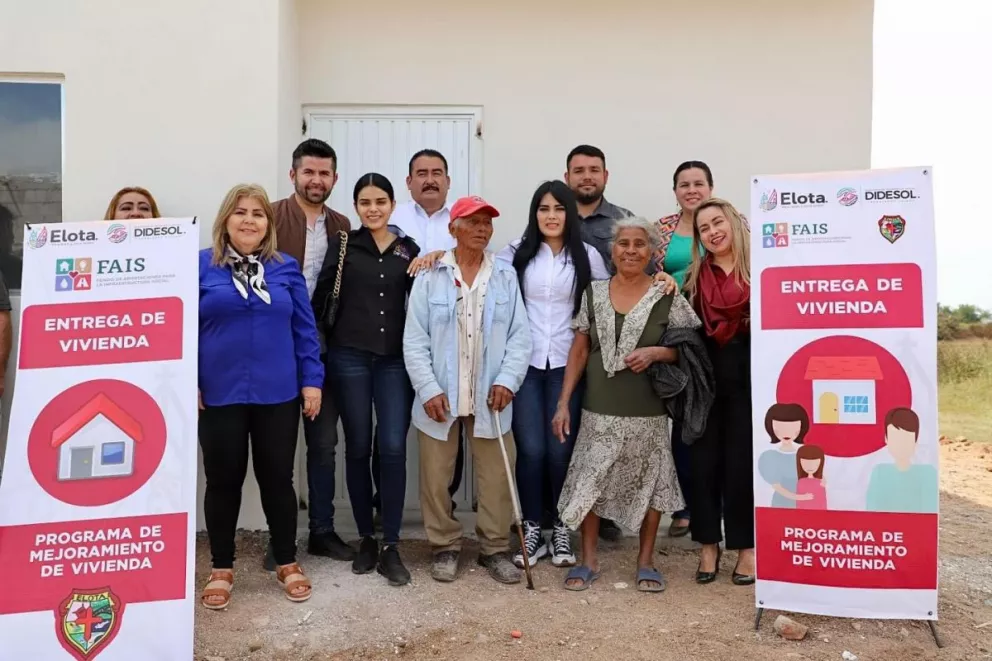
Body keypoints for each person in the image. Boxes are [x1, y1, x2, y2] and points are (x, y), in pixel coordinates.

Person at [553, 217, 701, 593]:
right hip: (598, 405)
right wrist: (564, 402)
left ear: (652, 252)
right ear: (612, 250)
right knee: (591, 480)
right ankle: (588, 560)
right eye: (623, 244)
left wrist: (657, 353)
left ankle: (646, 562)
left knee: (652, 483)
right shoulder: (593, 292)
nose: (631, 251)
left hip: (648, 409)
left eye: (639, 244)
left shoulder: (666, 293)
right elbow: (580, 349)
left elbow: (691, 350)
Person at [198, 183, 323, 609]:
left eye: (257, 213)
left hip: (277, 391)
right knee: (222, 481)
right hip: (218, 392)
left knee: (277, 479)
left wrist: (312, 380)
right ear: (225, 220)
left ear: (268, 224)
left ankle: (287, 561)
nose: (249, 220)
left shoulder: (285, 268)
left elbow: (305, 330)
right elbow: (181, 328)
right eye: (240, 212)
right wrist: (187, 379)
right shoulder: (199, 267)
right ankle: (221, 567)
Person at [403, 195, 531, 584]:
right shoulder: (430, 276)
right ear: (452, 228)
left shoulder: (505, 275)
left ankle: (495, 547)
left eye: (487, 223)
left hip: (491, 393)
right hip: (441, 393)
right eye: (473, 222)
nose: (482, 229)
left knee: (497, 474)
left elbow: (519, 336)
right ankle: (444, 545)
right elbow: (414, 340)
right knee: (435, 476)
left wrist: (508, 380)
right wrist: (427, 388)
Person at [312, 173, 420, 586]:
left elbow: (424, 302)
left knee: (392, 447)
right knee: (357, 446)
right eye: (364, 202)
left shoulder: (408, 249)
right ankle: (366, 538)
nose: (373, 209)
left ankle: (391, 543)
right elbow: (321, 300)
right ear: (356, 206)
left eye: (380, 202)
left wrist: (435, 259)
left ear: (392, 204)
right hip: (349, 357)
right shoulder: (343, 245)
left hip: (395, 361)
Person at [496, 181, 609, 568]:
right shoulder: (516, 252)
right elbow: (481, 274)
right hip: (525, 365)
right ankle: (531, 529)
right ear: (535, 214)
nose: (551, 216)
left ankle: (561, 528)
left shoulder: (588, 257)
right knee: (531, 450)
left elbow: (607, 302)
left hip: (568, 365)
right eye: (543, 209)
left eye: (559, 208)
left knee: (561, 450)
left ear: (570, 214)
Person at [271, 138, 354, 566]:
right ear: (293, 175)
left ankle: (322, 530)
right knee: (278, 448)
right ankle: (280, 538)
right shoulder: (269, 216)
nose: (316, 180)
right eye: (309, 172)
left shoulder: (343, 225)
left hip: (323, 348)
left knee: (323, 444)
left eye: (324, 173)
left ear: (334, 178)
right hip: (275, 346)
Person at [562, 144, 636, 543]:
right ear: (567, 177)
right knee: (567, 427)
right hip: (562, 343)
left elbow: (644, 274)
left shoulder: (623, 221)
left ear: (606, 176)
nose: (587, 176)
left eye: (594, 169)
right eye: (579, 170)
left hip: (611, 346)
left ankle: (602, 512)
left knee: (606, 433)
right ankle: (563, 512)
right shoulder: (554, 216)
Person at [388, 148, 467, 517]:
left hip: (446, 341)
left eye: (437, 173)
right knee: (392, 429)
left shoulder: (462, 220)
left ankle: (445, 504)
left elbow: (476, 262)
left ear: (448, 181)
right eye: (422, 173)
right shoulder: (393, 219)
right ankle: (386, 506)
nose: (430, 180)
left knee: (449, 423)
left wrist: (441, 255)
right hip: (392, 337)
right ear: (409, 181)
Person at [683, 197, 755, 585]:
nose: (712, 232)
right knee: (703, 465)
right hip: (705, 382)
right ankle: (708, 545)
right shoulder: (694, 278)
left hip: (750, 379)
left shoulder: (761, 271)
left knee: (741, 466)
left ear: (733, 223)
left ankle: (746, 548)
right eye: (704, 228)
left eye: (717, 222)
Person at [652, 161, 714, 538]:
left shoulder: (728, 222)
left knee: (714, 419)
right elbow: (644, 273)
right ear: (675, 191)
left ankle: (713, 504)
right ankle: (683, 507)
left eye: (698, 183)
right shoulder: (661, 229)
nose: (692, 190)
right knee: (681, 419)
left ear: (711, 187)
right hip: (675, 333)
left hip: (718, 329)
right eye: (684, 184)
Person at [865, 407, 938, 513]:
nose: (901, 444)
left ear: (916, 441)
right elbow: (872, 508)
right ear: (886, 439)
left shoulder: (928, 473)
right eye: (895, 438)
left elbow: (929, 509)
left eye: (906, 439)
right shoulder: (879, 472)